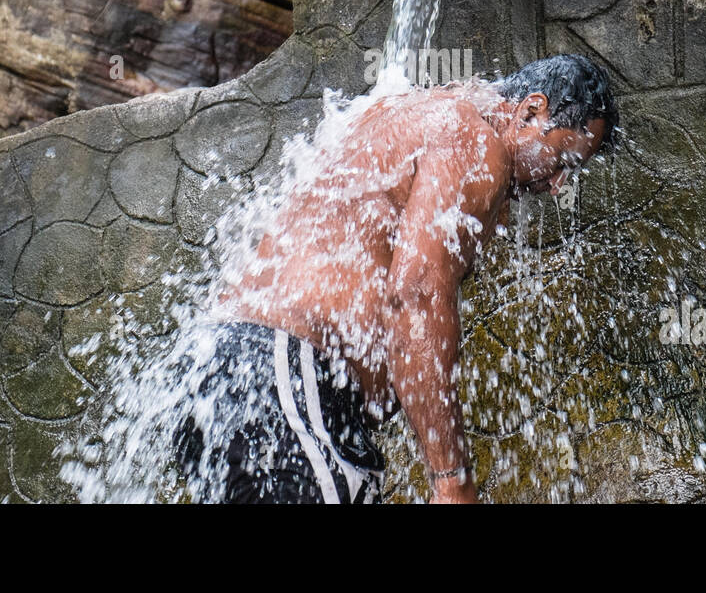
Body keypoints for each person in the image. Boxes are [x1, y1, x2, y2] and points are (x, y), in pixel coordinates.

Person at [173, 54, 619, 503]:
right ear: (529, 110)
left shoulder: (414, 111)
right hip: (281, 380)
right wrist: (452, 478)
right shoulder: (475, 139)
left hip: (233, 370)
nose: (558, 183)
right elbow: (417, 295)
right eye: (563, 158)